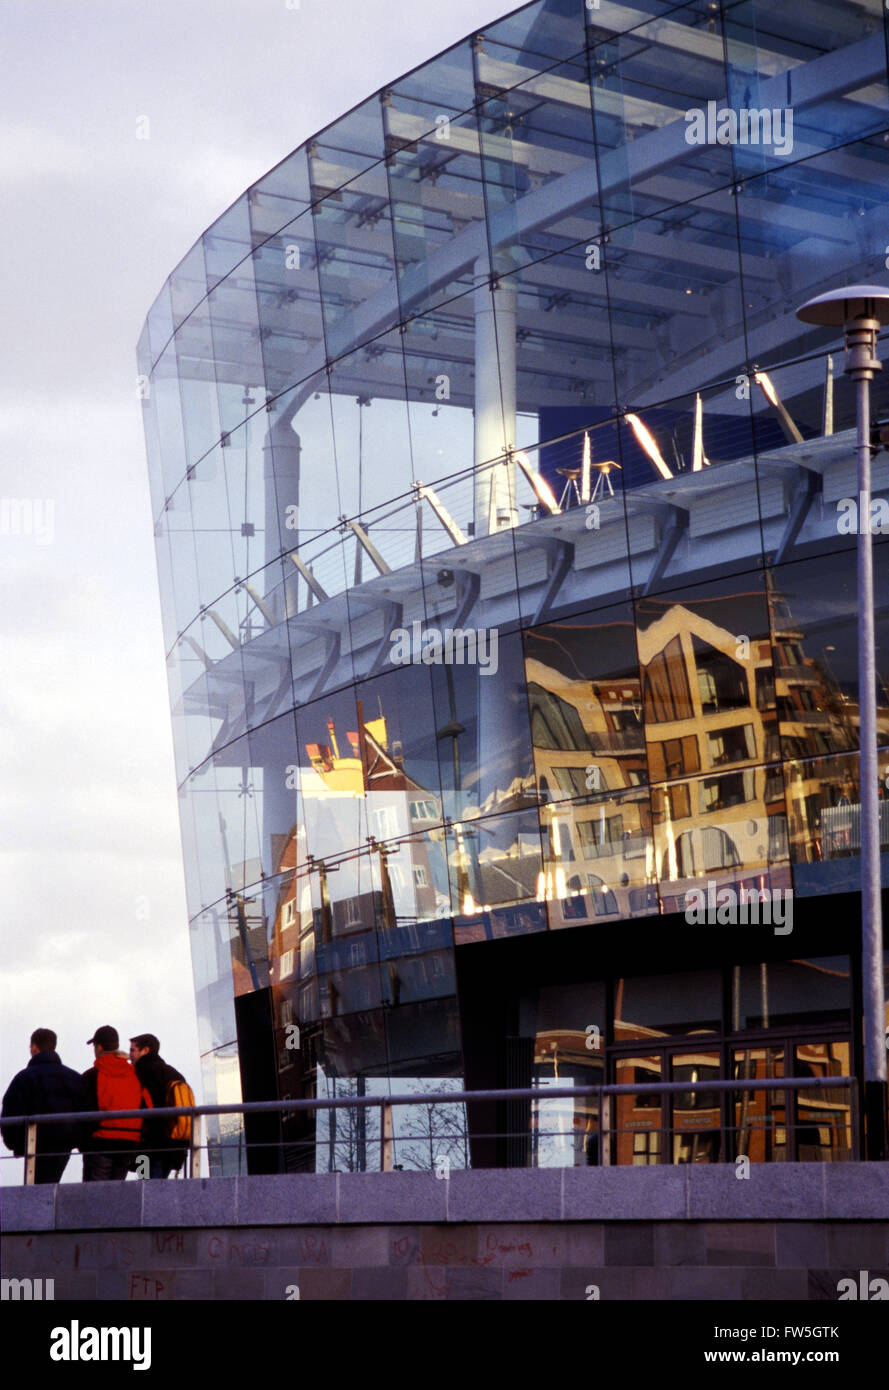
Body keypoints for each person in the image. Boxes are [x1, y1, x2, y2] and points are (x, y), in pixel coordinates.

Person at [1, 1029, 89, 1183]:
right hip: (64, 1143)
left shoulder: (23, 1078)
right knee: (50, 1183)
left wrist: (15, 1144)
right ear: (54, 1047)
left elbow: (11, 1111)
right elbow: (86, 1110)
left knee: (36, 1187)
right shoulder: (74, 1078)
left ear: (34, 1047)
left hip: (34, 1143)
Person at [81, 1025, 152, 1182]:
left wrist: (84, 1144)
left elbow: (82, 1110)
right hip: (129, 1143)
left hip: (100, 1143)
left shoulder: (92, 1076)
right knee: (116, 1196)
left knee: (94, 1197)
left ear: (99, 1047)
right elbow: (147, 1107)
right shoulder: (135, 1074)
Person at [128, 1034, 190, 1178]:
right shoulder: (173, 1074)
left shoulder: (139, 1074)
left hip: (147, 1146)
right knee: (158, 1187)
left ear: (145, 1050)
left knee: (146, 1187)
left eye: (132, 1050)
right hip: (173, 1144)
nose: (129, 1055)